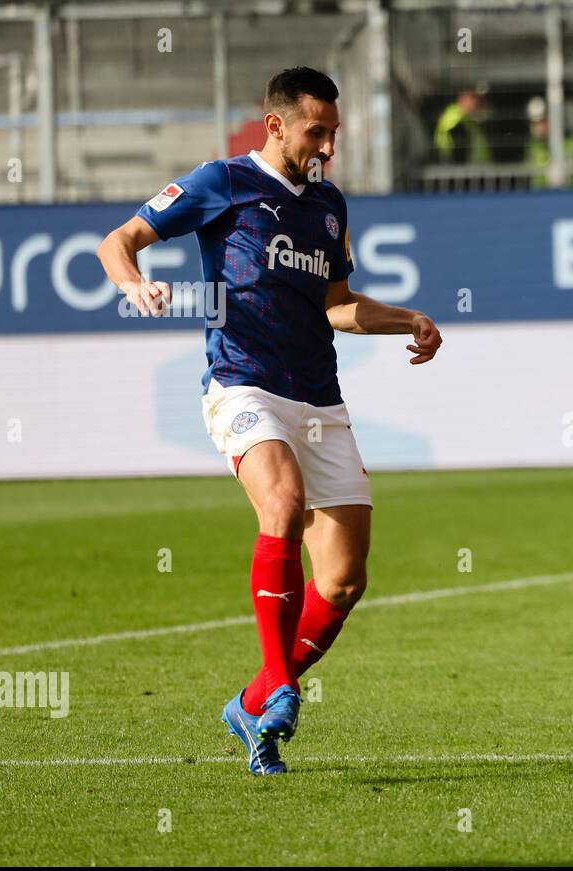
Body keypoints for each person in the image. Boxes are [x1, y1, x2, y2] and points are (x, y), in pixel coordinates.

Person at [96, 66, 443, 775]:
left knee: (344, 581)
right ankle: (281, 683)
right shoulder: (221, 181)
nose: (327, 146)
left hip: (318, 397)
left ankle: (254, 699)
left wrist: (407, 317)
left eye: (334, 133)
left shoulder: (329, 204)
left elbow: (336, 304)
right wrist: (134, 285)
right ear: (276, 124)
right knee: (281, 503)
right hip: (242, 382)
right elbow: (119, 240)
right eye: (317, 130)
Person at [433, 88, 491, 165]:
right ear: (461, 97)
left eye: (480, 99)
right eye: (473, 97)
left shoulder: (466, 118)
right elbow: (456, 149)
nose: (477, 102)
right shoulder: (455, 117)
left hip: (474, 169)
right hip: (464, 170)